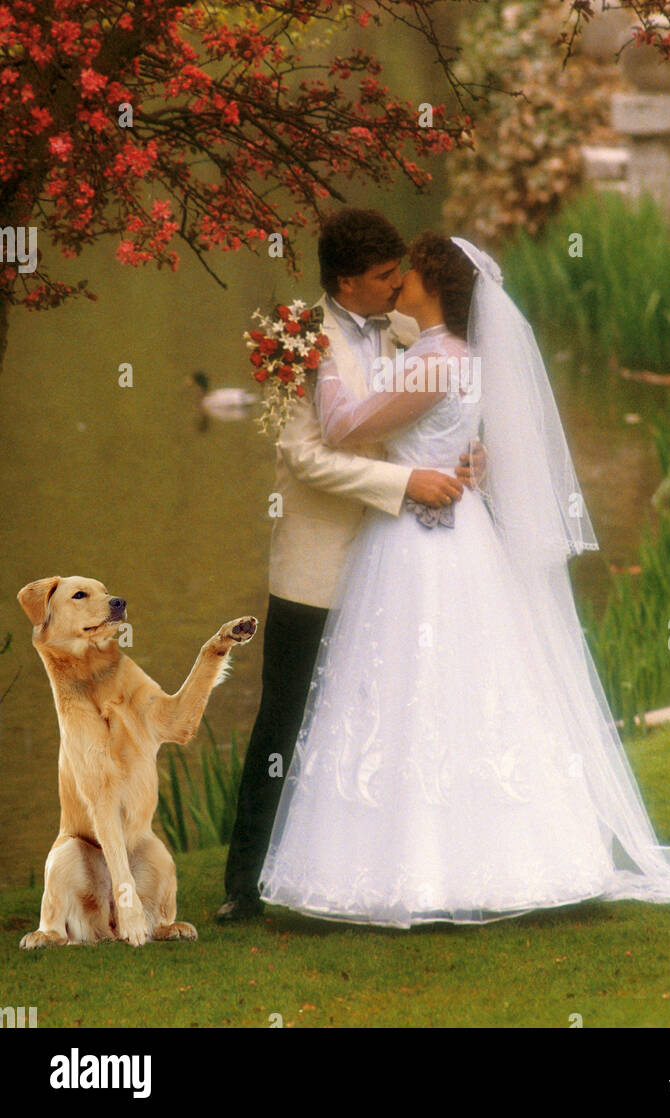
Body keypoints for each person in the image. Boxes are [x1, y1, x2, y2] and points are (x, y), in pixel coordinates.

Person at [259, 231, 670, 927]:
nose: (399, 284)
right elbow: (439, 436)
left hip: (424, 543)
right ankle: (455, 860)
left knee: (421, 691)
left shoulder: (438, 357)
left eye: (410, 272)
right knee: (440, 692)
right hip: (437, 528)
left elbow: (341, 423)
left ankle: (427, 869)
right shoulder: (441, 352)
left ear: (436, 284)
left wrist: (310, 353)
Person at [217, 210, 477, 921]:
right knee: (285, 716)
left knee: (381, 718)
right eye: (387, 277)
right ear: (346, 283)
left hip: (400, 566)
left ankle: (371, 872)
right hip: (321, 560)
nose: (400, 286)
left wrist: (462, 460)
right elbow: (305, 455)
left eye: (402, 274)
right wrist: (402, 486)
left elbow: (431, 418)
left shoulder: (406, 331)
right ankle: (245, 886)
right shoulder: (297, 337)